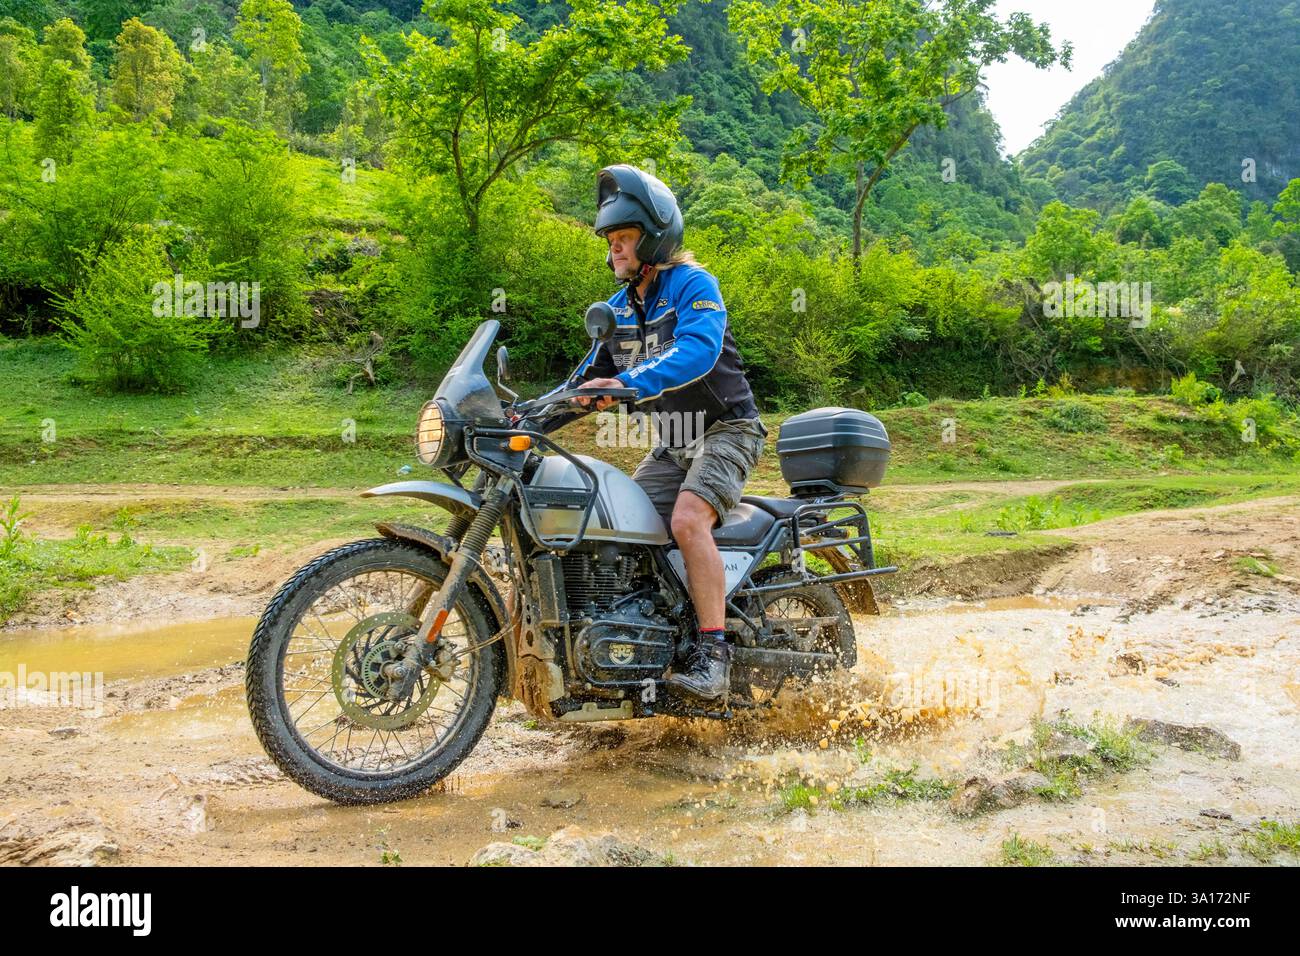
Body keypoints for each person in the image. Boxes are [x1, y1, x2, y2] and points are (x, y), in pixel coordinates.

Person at [567, 164, 767, 702]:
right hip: (675, 440)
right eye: (611, 242)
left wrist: (629, 383)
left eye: (625, 239)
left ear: (655, 238)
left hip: (727, 430)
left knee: (686, 519)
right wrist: (525, 415)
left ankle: (714, 655)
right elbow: (586, 379)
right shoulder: (615, 310)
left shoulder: (693, 285)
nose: (616, 251)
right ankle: (641, 645)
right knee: (618, 524)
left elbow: (697, 351)